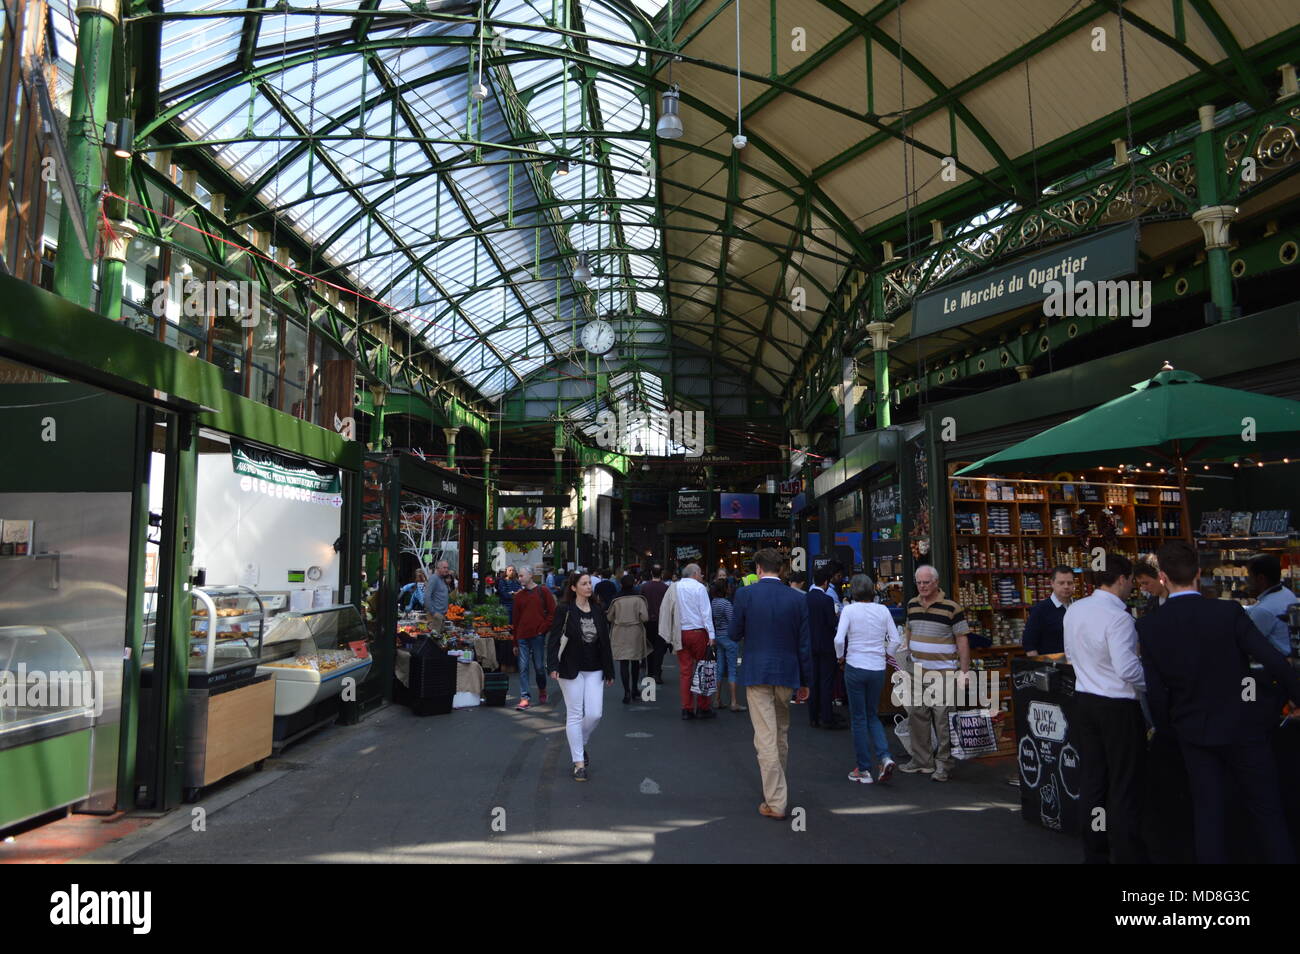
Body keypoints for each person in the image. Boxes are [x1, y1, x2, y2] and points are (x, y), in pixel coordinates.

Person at [1138, 541, 1300, 864]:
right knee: (1267, 811)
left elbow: (1156, 691)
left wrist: (1170, 728)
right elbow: (1276, 662)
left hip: (1193, 730)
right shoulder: (1228, 612)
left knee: (1208, 814)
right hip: (1243, 725)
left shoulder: (1149, 626)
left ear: (1164, 579)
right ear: (1198, 574)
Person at [1062, 552, 1146, 864]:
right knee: (1124, 784)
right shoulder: (1119, 617)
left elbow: (1070, 654)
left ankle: (1095, 853)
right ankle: (1128, 854)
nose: (1131, 587)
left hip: (1085, 701)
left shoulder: (1076, 609)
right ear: (1122, 579)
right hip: (1118, 705)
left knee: (1094, 781)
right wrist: (1150, 679)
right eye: (1130, 581)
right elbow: (1127, 669)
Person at [730, 547, 812, 820]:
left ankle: (776, 800)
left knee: (765, 736)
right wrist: (806, 680)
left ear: (758, 569)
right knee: (781, 733)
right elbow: (804, 644)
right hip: (787, 672)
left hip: (757, 670)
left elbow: (733, 633)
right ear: (781, 570)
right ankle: (777, 789)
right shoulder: (798, 599)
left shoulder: (745, 594)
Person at [899, 564, 970, 782]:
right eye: (919, 582)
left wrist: (964, 671)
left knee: (943, 720)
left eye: (926, 582)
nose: (922, 586)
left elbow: (962, 639)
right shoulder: (912, 604)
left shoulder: (952, 608)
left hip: (944, 672)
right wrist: (907, 650)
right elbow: (909, 628)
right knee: (916, 716)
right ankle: (923, 761)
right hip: (917, 671)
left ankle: (943, 764)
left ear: (936, 582)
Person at [546, 572, 615, 782]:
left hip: (595, 668)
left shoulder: (597, 610)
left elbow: (605, 642)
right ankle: (578, 763)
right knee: (575, 714)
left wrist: (609, 669)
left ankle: (580, 742)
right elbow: (555, 639)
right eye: (584, 584)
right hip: (570, 667)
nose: (588, 587)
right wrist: (553, 665)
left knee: (595, 714)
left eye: (589, 584)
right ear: (574, 588)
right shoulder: (564, 610)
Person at [836, 574, 902, 784]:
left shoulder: (849, 610)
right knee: (872, 715)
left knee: (858, 718)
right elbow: (895, 639)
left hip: (855, 665)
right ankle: (884, 757)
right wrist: (886, 654)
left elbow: (839, 639)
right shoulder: (882, 610)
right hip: (877, 667)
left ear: (853, 591)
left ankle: (863, 769)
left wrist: (840, 657)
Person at [671, 563, 716, 720]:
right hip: (698, 633)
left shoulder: (675, 587)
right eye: (701, 573)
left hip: (681, 632)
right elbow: (706, 613)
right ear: (695, 573)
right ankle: (703, 707)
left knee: (685, 672)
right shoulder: (699, 588)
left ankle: (687, 708)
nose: (702, 576)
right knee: (704, 669)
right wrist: (711, 635)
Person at [806, 566, 846, 729]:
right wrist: (836, 618)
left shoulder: (805, 598)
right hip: (826, 645)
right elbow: (832, 624)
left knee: (813, 681)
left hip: (810, 645)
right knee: (826, 682)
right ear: (825, 583)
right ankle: (827, 716)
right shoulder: (827, 600)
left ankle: (813, 716)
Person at [511, 565, 555, 711]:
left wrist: (542, 629)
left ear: (530, 576)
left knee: (539, 667)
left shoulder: (543, 591)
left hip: (537, 636)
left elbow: (552, 613)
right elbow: (515, 620)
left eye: (522, 576)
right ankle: (525, 697)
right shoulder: (518, 596)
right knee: (523, 668)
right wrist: (515, 642)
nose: (519, 578)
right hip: (523, 636)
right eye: (519, 576)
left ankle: (542, 688)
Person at [607, 574, 650, 704]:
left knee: (623, 663)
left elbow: (609, 618)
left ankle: (626, 692)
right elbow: (645, 617)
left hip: (620, 632)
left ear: (621, 584)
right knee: (635, 661)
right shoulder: (639, 599)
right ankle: (634, 689)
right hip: (635, 632)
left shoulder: (616, 600)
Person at [1245, 553, 1295, 657]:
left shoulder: (1264, 610)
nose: (1247, 579)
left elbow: (1247, 644)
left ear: (1261, 578)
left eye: (1249, 575)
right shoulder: (1286, 592)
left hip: (1279, 664)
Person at [709, 579, 744, 712]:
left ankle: (717, 699)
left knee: (719, 669)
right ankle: (734, 702)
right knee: (732, 670)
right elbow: (733, 621)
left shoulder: (713, 602)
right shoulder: (726, 603)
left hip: (718, 637)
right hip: (729, 639)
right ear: (724, 589)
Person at [1023, 566, 1073, 656]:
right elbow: (1029, 645)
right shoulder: (1040, 609)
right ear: (1052, 583)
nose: (1066, 586)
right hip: (1052, 666)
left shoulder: (1078, 607)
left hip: (1078, 666)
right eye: (1061, 583)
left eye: (1069, 583)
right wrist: (1040, 666)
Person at [640, 565, 670, 684]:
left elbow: (641, 602)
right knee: (659, 648)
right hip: (661, 620)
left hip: (647, 620)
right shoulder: (665, 588)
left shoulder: (644, 586)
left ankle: (650, 671)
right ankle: (657, 673)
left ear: (651, 573)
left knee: (649, 646)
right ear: (661, 573)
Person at [425, 559, 451, 629]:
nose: (446, 570)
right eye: (444, 568)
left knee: (439, 637)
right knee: (434, 638)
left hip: (441, 615)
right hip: (436, 615)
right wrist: (433, 613)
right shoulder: (434, 578)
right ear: (438, 568)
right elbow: (427, 596)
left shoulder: (442, 579)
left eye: (447, 568)